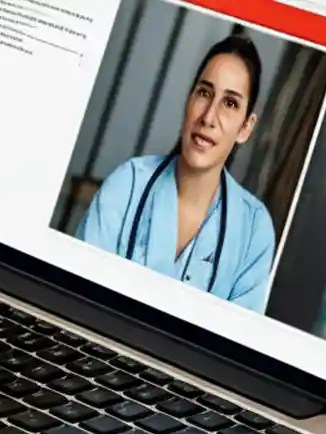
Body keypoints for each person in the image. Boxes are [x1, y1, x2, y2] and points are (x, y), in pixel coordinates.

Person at [76, 34, 277, 312]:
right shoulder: (128, 184)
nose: (208, 117)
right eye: (205, 93)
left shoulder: (254, 229)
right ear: (189, 99)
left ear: (245, 127)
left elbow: (234, 344)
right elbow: (77, 296)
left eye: (230, 103)